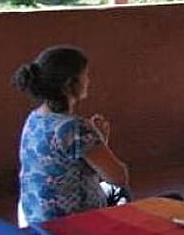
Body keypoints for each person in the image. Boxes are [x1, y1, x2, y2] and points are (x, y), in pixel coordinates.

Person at [14, 46, 130, 224]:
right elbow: (119, 177)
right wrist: (100, 143)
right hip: (71, 227)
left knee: (107, 190)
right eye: (85, 75)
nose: (89, 81)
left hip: (36, 220)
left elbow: (73, 167)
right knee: (121, 192)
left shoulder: (35, 118)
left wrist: (98, 141)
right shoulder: (74, 128)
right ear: (70, 84)